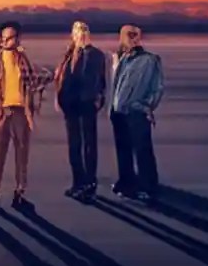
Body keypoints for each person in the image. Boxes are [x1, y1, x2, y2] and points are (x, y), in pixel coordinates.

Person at [0, 21, 50, 210]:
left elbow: (40, 78)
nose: (10, 41)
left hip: (20, 113)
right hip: (1, 112)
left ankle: (19, 192)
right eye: (6, 37)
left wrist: (32, 104)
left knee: (22, 154)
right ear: (0, 40)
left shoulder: (24, 61)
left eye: (13, 37)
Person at [110, 24, 165, 203]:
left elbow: (157, 87)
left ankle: (148, 186)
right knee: (123, 150)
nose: (130, 38)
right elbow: (116, 85)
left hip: (136, 111)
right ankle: (126, 181)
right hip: (119, 111)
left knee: (142, 150)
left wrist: (147, 106)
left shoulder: (149, 60)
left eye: (134, 35)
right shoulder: (122, 58)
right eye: (127, 35)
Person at [55, 21, 107, 204]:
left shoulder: (96, 55)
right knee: (74, 145)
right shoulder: (68, 55)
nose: (80, 35)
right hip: (70, 106)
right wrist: (60, 98)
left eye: (83, 31)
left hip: (86, 104)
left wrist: (96, 100)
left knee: (89, 145)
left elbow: (99, 81)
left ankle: (90, 183)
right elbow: (61, 77)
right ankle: (78, 181)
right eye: (77, 32)